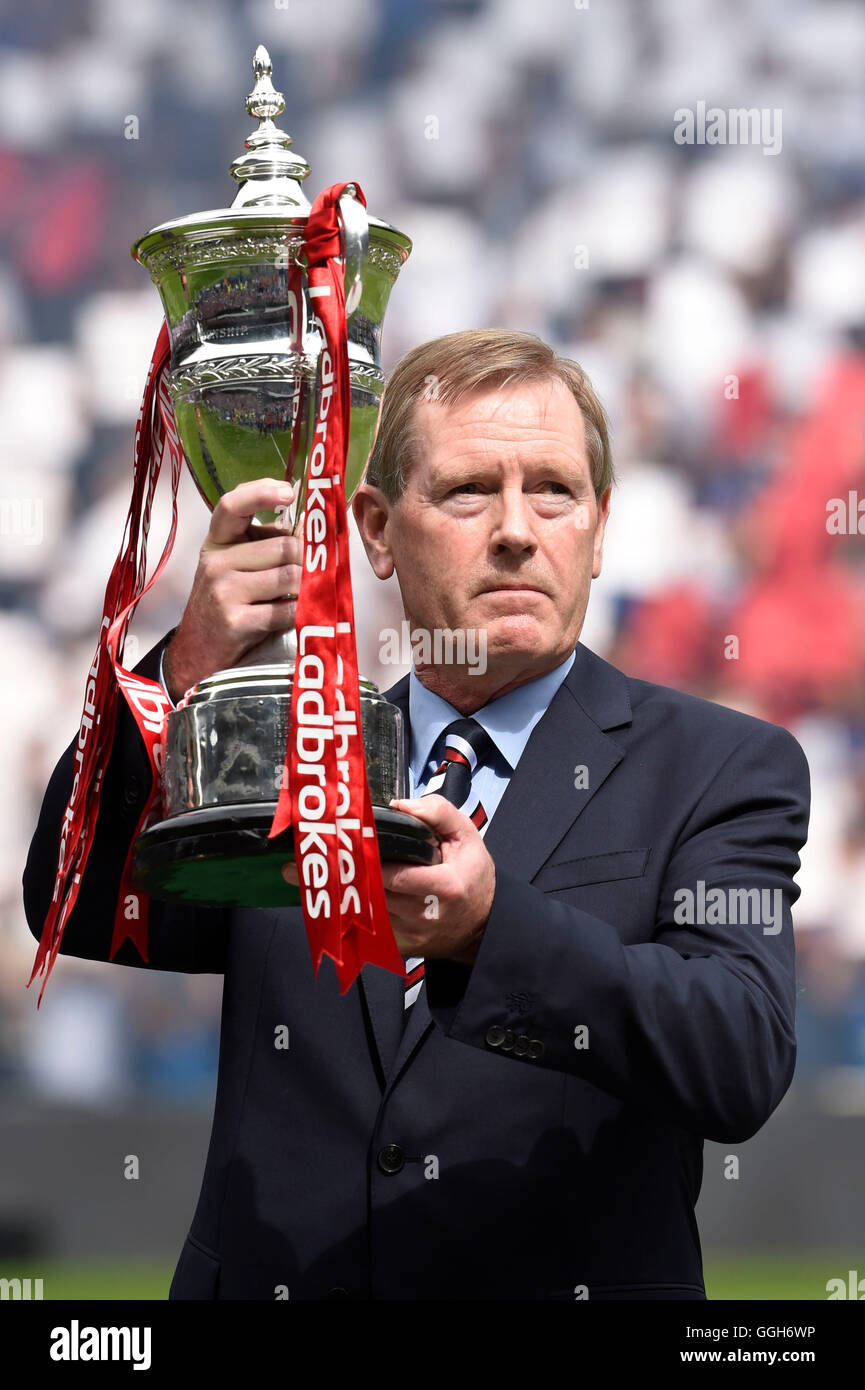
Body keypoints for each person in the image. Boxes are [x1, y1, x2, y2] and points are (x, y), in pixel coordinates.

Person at [23, 328, 810, 1300]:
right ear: (377, 530)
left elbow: (735, 1056)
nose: (517, 528)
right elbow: (78, 900)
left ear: (601, 530)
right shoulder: (295, 753)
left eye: (554, 490)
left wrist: (493, 934)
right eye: (469, 489)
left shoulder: (718, 764)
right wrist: (187, 665)